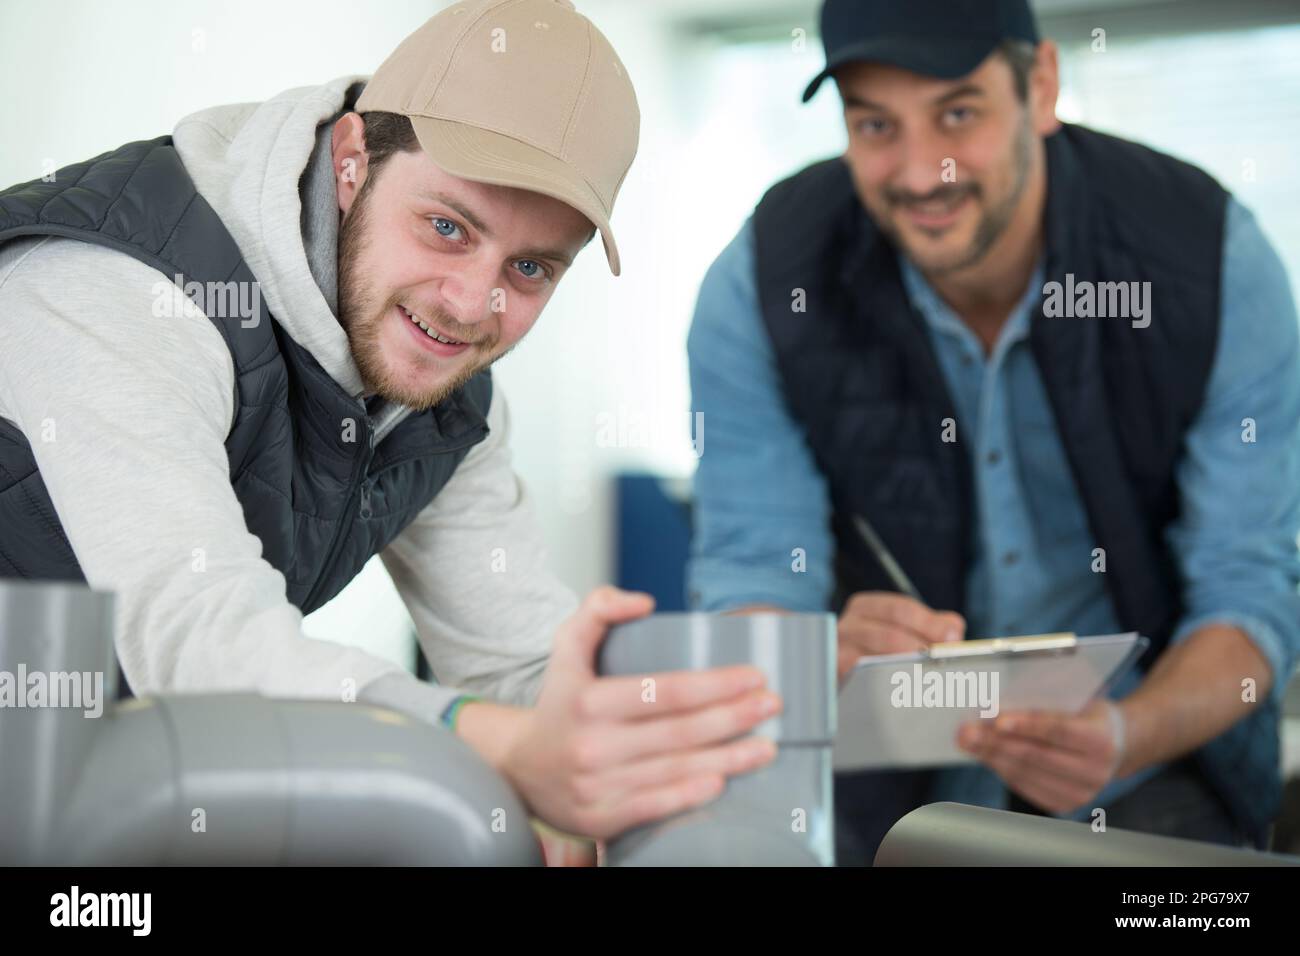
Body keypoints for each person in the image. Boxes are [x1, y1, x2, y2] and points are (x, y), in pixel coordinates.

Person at [0, 0, 780, 842]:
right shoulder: (111, 290)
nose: (470, 305)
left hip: (95, 785)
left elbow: (517, 664)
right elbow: (199, 644)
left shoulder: (444, 394)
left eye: (529, 268)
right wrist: (496, 749)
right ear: (349, 161)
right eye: (447, 227)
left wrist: (615, 750)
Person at [687, 0, 1300, 863]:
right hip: (872, 780)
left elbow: (1249, 589)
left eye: (958, 114)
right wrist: (816, 651)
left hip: (1147, 768)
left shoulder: (1212, 260)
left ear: (1041, 86)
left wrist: (1129, 732)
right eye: (874, 124)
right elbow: (749, 577)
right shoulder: (760, 283)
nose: (918, 172)